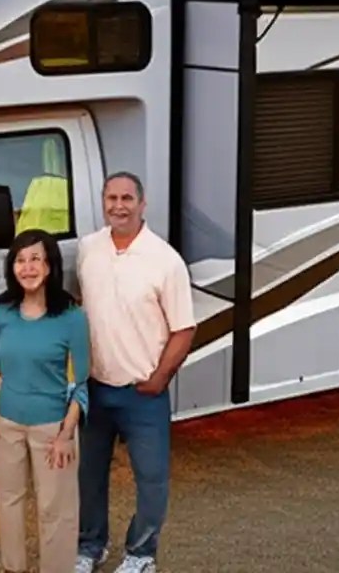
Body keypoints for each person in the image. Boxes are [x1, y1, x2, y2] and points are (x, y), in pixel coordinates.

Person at [74, 172, 197, 573]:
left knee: (151, 478)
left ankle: (141, 553)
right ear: (103, 201)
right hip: (94, 388)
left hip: (143, 391)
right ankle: (90, 547)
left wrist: (160, 377)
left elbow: (184, 328)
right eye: (112, 198)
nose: (119, 206)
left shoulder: (165, 260)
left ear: (143, 204)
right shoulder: (88, 249)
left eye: (127, 198)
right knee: (89, 477)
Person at [0, 228, 91, 573]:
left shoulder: (71, 317)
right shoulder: (1, 311)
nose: (27, 267)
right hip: (7, 424)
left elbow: (81, 383)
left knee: (55, 509)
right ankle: (13, 568)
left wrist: (65, 435)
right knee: (8, 503)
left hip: (53, 428)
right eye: (20, 260)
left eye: (36, 259)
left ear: (50, 267)